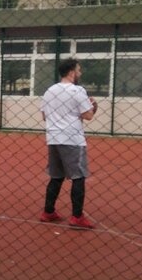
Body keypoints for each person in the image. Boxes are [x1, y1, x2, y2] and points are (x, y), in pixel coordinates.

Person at [40, 57, 98, 230]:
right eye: (79, 70)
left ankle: (48, 211)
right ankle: (77, 216)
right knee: (78, 176)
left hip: (53, 138)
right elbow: (88, 116)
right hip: (72, 139)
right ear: (72, 72)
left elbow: (44, 116)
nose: (80, 73)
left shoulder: (49, 91)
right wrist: (93, 106)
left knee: (56, 176)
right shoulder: (77, 91)